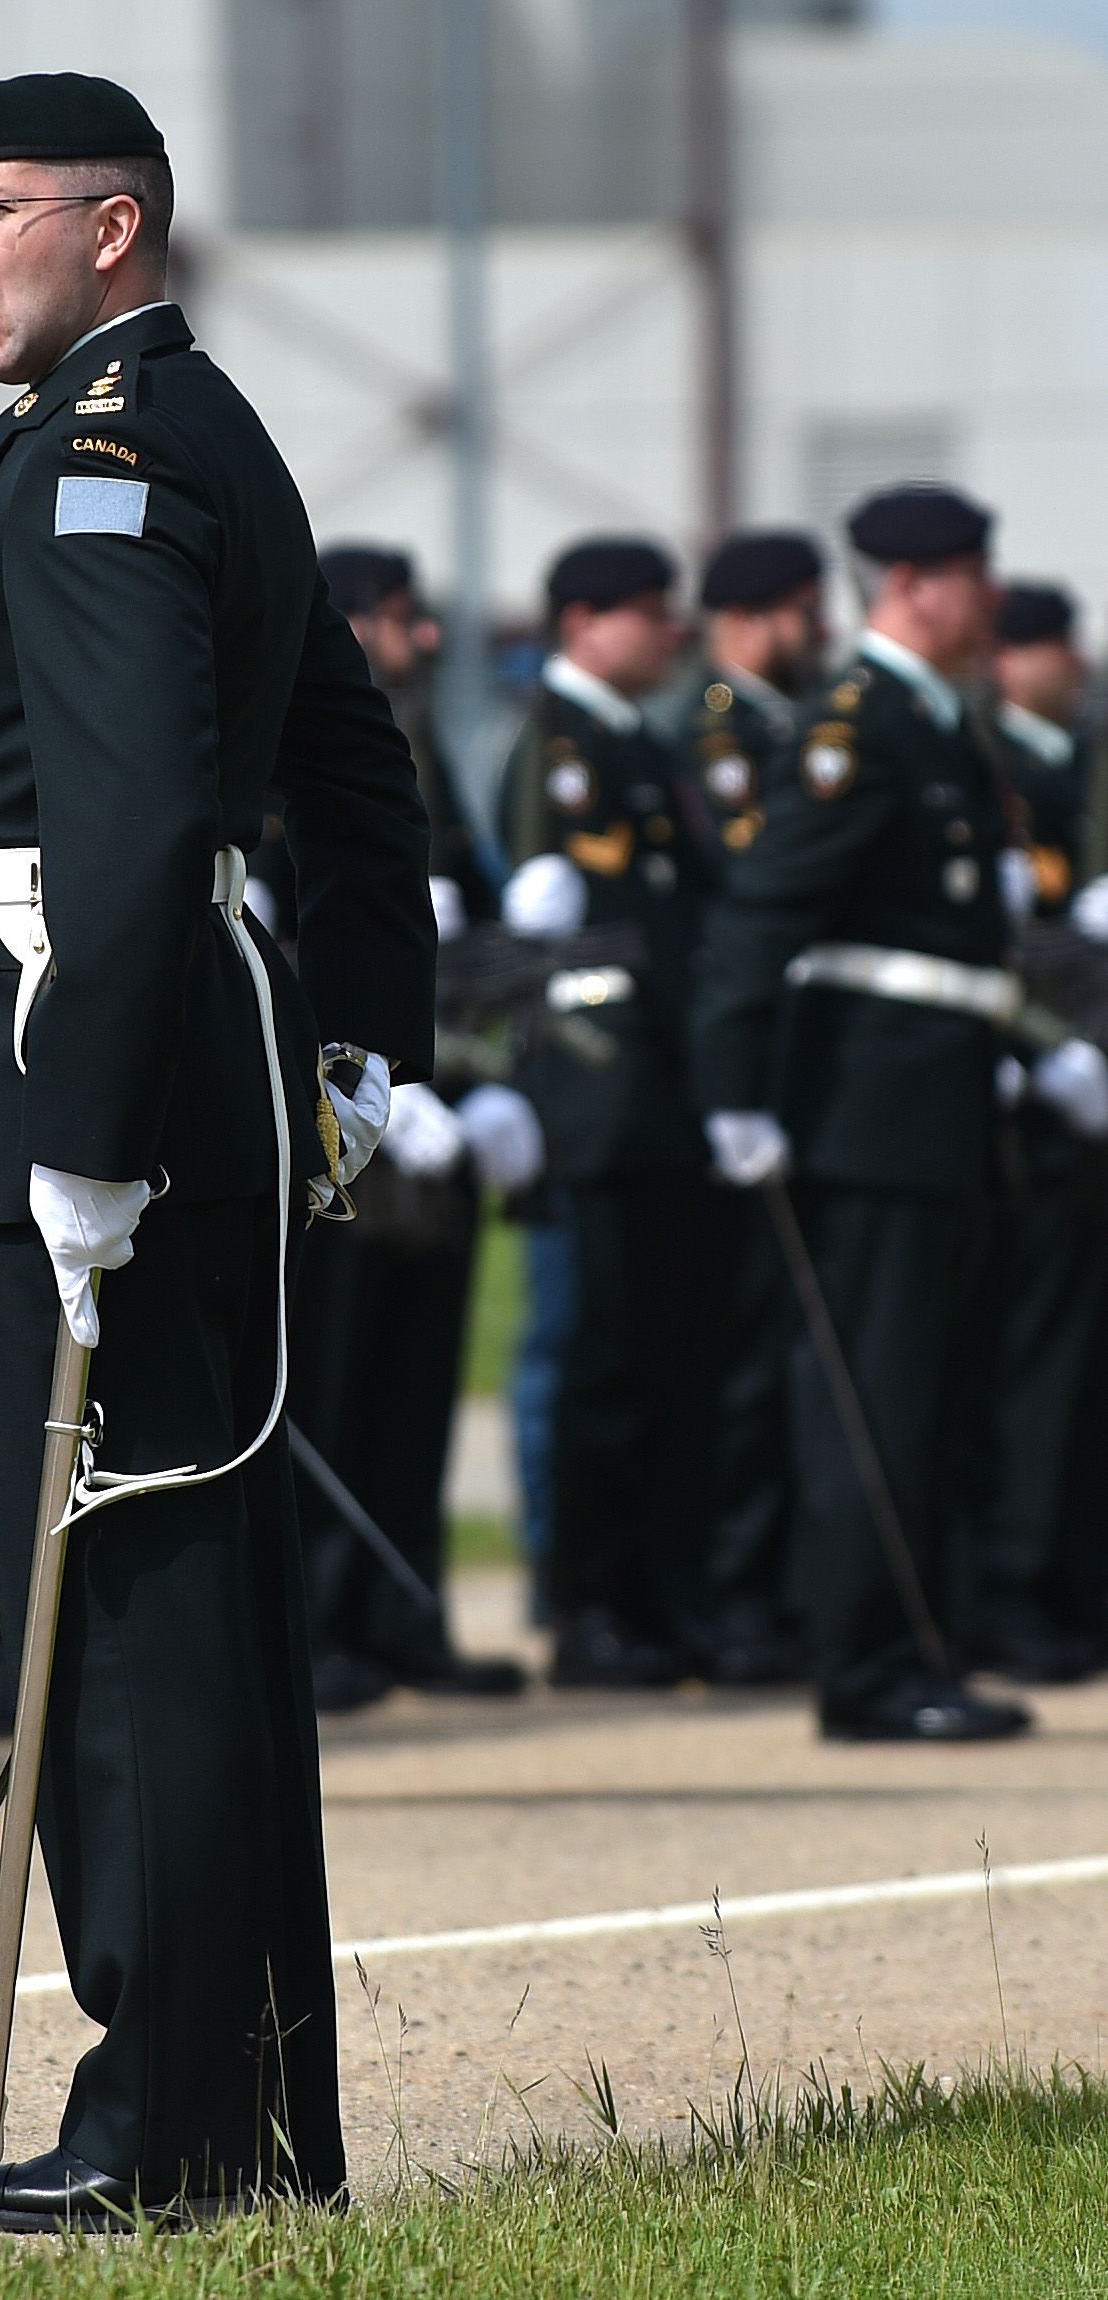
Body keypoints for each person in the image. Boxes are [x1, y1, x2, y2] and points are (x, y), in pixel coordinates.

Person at [0, 74, 433, 2226]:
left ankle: (160, 2126)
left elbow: (118, 832)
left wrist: (84, 1136)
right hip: (120, 1049)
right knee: (172, 1586)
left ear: (114, 229)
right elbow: (352, 774)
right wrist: (358, 1035)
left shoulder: (103, 454)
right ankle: (248, 2114)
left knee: (113, 1602)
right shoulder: (169, 431)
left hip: (60, 1061)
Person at [696, 484, 1084, 1741]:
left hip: (936, 1094)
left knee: (927, 1388)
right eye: (970, 573)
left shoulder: (932, 718)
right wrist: (734, 1091)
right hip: (869, 1108)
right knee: (873, 1393)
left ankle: (916, 1638)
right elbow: (761, 913)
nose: (984, 595)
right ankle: (865, 1667)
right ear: (914, 585)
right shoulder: (856, 726)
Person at [291, 544, 536, 1710]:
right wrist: (376, 1074)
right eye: (398, 619)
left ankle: (403, 1607)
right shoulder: (300, 744)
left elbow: (481, 947)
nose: (423, 639)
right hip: (338, 1118)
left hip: (425, 1128)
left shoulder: (425, 748)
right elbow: (280, 943)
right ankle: (321, 1620)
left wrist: (477, 1079)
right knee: (331, 1378)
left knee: (413, 1375)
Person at [498, 537, 716, 1687]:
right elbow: (543, 938)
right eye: (645, 611)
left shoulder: (636, 738)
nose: (666, 631)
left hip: (661, 1097)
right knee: (595, 1361)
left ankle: (650, 1596)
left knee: (660, 1360)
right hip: (594, 1099)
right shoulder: (560, 744)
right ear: (582, 621)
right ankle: (585, 1603)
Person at [677, 528, 831, 1683]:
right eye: (793, 608)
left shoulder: (784, 725)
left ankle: (774, 1589)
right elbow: (747, 883)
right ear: (743, 615)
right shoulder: (719, 730)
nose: (811, 626)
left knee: (784, 1353)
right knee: (731, 1360)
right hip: (732, 1070)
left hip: (796, 1067)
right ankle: (730, 1597)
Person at [970, 581, 1106, 1680]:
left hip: (1074, 1086)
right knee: (1028, 1361)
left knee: (1074, 1363)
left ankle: (1065, 1577)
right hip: (1025, 1093)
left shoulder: (1061, 759)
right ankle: (1012, 1581)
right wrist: (1041, 1051)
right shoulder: (992, 759)